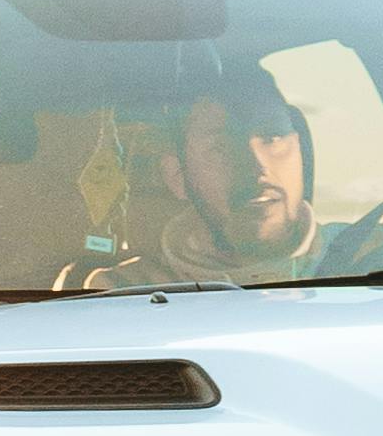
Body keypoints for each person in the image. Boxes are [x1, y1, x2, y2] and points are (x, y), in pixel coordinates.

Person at [114, 82, 334, 285]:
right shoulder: (124, 294)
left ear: (300, 152)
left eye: (272, 138)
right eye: (222, 148)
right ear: (178, 176)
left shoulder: (360, 258)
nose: (258, 168)